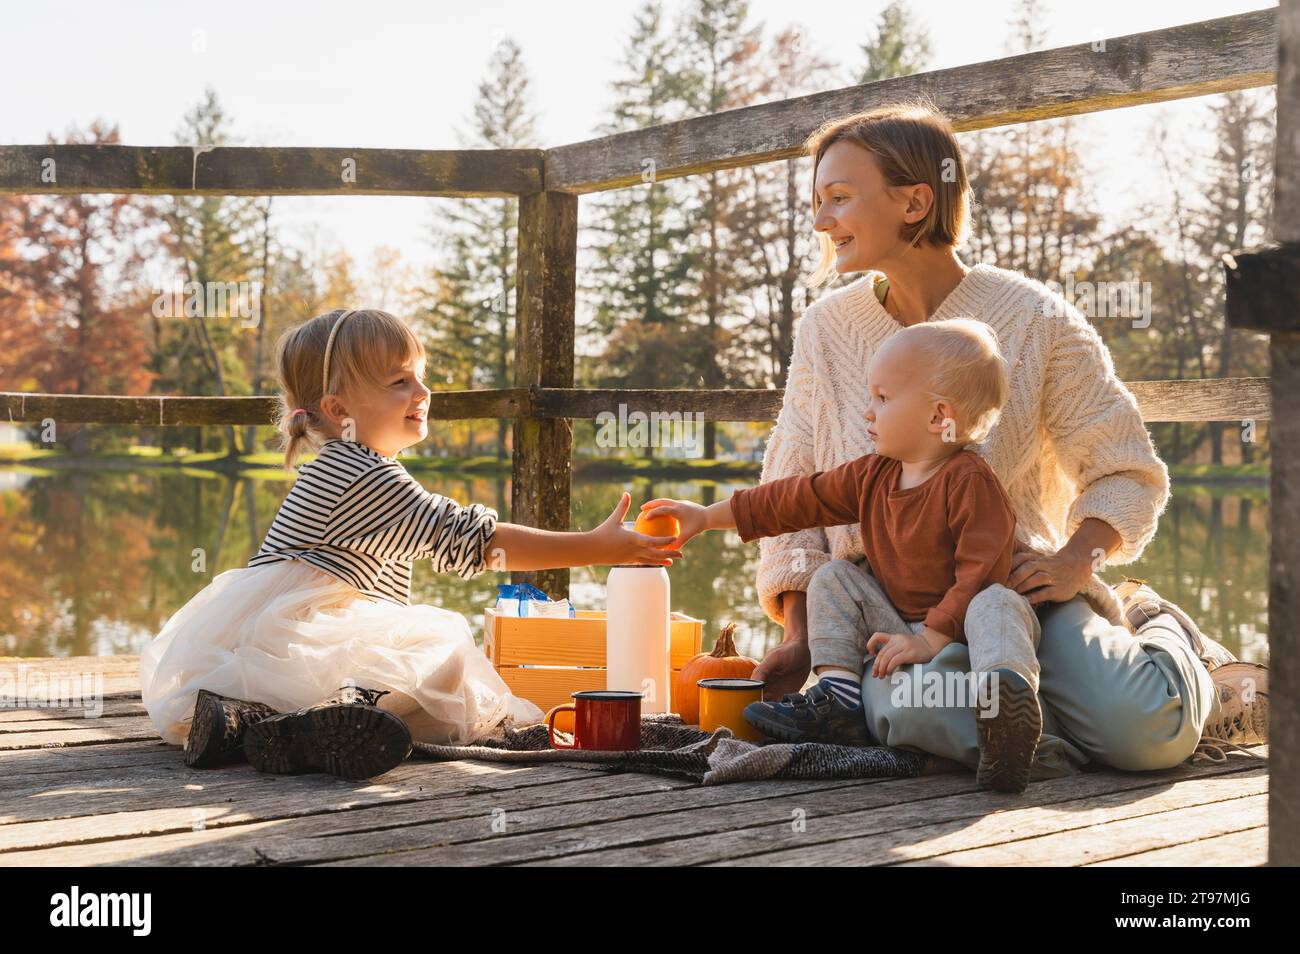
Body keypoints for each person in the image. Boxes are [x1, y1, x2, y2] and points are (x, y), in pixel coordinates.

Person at [741, 102, 1266, 779]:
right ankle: (1044, 715)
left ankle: (1165, 636)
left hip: (1020, 594)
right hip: (897, 613)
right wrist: (799, 636)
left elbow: (1124, 469)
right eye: (816, 202)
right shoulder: (826, 329)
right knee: (916, 716)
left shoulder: (1037, 318)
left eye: (838, 198)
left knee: (1147, 736)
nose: (820, 221)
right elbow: (791, 501)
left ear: (915, 201)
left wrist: (1079, 558)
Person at [139, 308, 681, 779]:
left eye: (420, 377)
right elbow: (474, 540)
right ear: (338, 409)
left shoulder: (346, 465)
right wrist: (600, 545)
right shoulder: (362, 475)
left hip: (251, 647)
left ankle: (249, 722)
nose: (422, 393)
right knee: (442, 656)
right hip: (291, 640)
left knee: (419, 664)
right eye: (399, 381)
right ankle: (308, 720)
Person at [642, 318, 1100, 793]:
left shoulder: (969, 481)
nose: (868, 412)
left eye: (883, 398)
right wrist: (707, 516)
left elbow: (981, 571)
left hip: (969, 628)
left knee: (999, 602)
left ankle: (1004, 712)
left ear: (939, 417)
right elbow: (795, 499)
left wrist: (934, 637)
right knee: (834, 576)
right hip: (902, 624)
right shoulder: (873, 475)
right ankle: (840, 701)